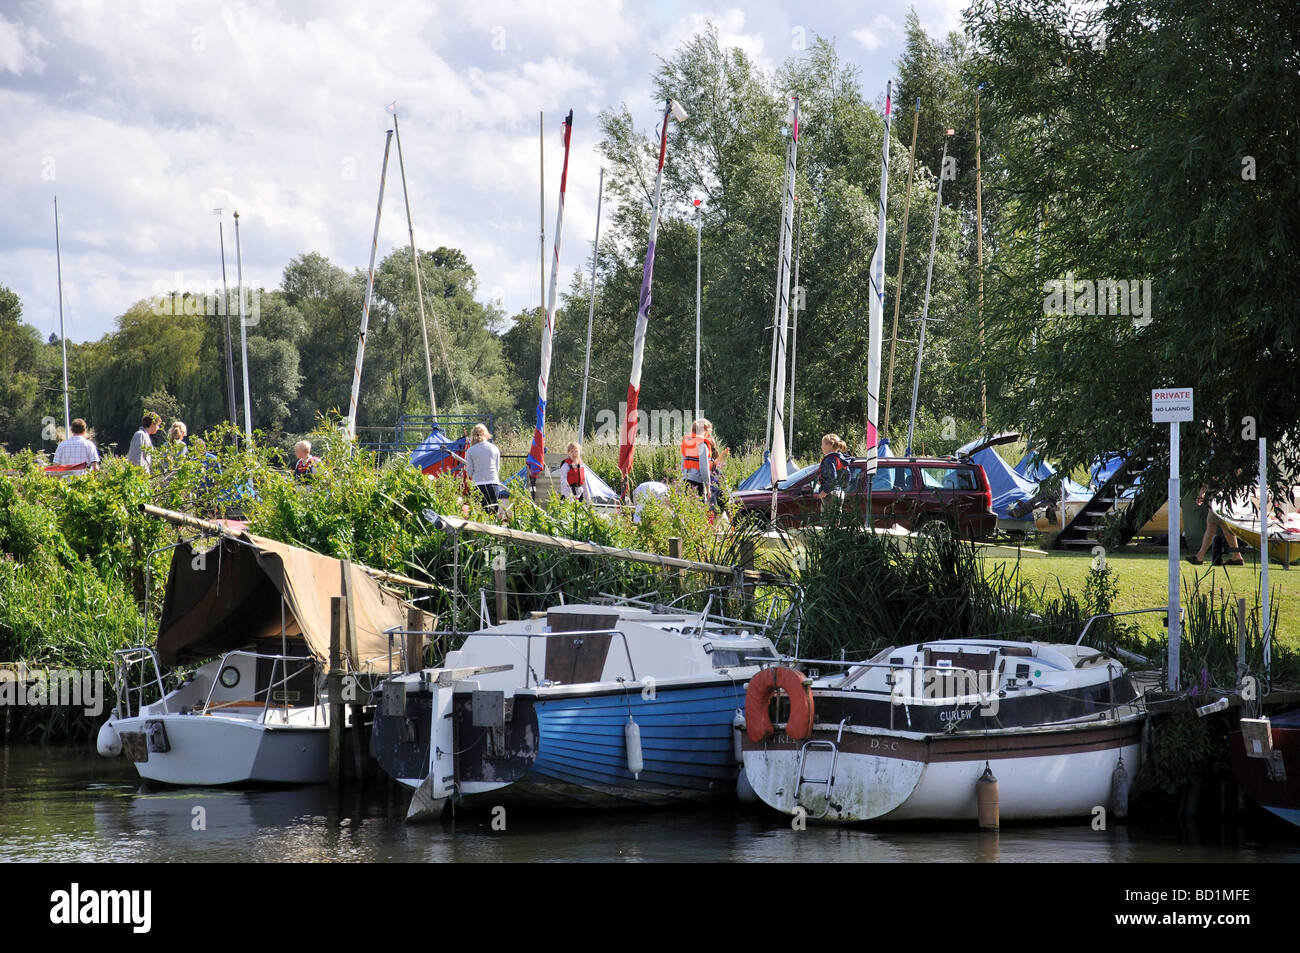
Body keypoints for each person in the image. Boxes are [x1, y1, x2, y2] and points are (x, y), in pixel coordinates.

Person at [1188, 481, 1244, 565]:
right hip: (1223, 497)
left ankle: (1199, 556)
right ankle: (1236, 556)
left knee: (1213, 523)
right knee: (1222, 526)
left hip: (1219, 498)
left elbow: (1212, 478)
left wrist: (1201, 493)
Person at [464, 423, 502, 514]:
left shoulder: (470, 451)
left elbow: (469, 472)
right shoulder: (494, 448)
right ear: (486, 434)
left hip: (478, 485)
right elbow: (497, 469)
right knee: (493, 514)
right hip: (493, 483)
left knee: (480, 515)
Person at [816, 433, 852, 512]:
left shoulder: (829, 460)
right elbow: (848, 476)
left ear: (829, 445)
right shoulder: (841, 459)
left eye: (822, 444)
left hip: (830, 493)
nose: (821, 447)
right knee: (836, 518)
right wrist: (842, 487)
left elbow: (832, 477)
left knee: (827, 520)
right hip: (840, 492)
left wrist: (825, 491)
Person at [680, 418, 714, 498]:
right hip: (697, 483)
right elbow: (704, 468)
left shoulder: (687, 443)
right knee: (699, 508)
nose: (709, 435)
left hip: (685, 481)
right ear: (704, 431)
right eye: (709, 432)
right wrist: (708, 487)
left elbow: (682, 464)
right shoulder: (702, 445)